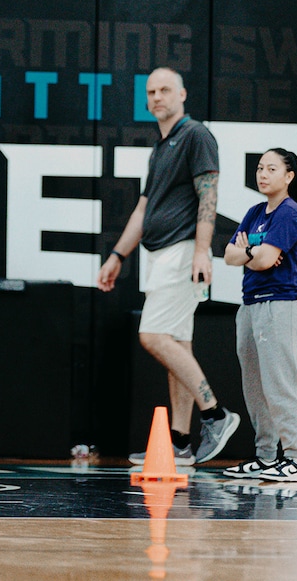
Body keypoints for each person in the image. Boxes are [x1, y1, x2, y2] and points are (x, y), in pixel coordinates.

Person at [96, 67, 239, 466]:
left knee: (153, 336)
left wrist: (201, 251)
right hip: (157, 254)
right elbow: (144, 208)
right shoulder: (160, 147)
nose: (157, 97)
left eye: (165, 90)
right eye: (151, 91)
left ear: (182, 95)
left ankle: (216, 414)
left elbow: (209, 193)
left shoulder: (196, 135)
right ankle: (179, 443)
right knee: (178, 345)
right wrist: (117, 255)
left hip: (182, 253)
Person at [222, 147, 297, 483]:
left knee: (280, 380)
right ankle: (265, 455)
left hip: (280, 305)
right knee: (255, 383)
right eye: (260, 168)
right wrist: (251, 252)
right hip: (250, 304)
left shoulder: (290, 213)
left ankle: (295, 457)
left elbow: (262, 260)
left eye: (271, 169)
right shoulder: (254, 211)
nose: (262, 174)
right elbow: (230, 254)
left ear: (289, 176)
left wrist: (252, 254)